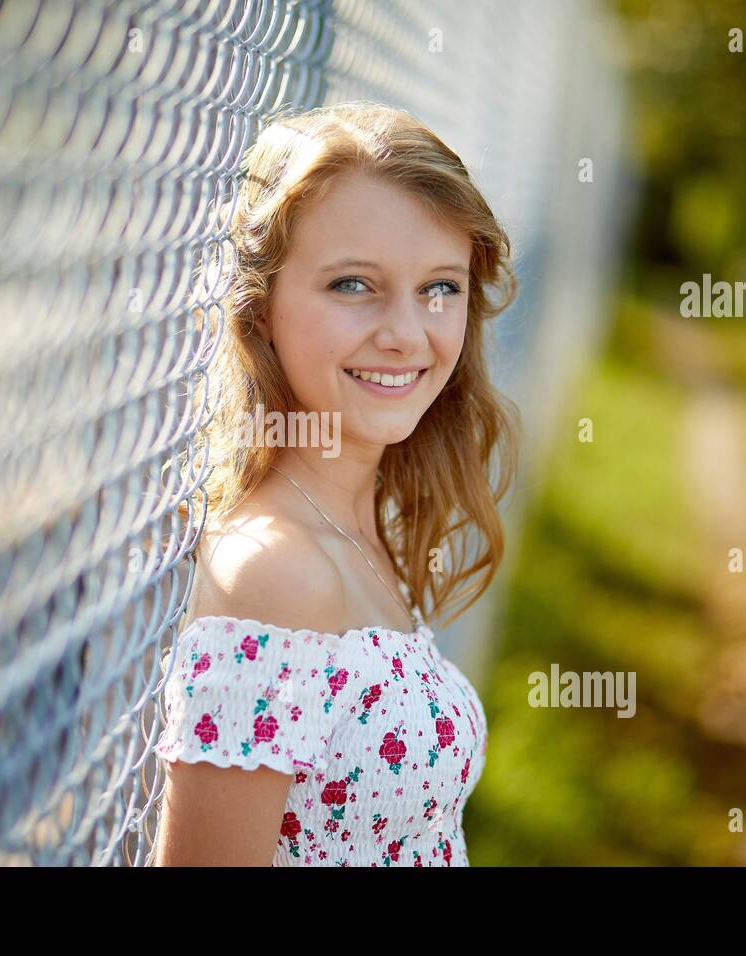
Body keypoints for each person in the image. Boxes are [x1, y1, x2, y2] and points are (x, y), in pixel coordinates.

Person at [150, 101, 521, 866]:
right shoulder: (276, 571)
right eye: (354, 285)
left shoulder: (363, 523)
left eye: (440, 288)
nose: (407, 333)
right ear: (260, 311)